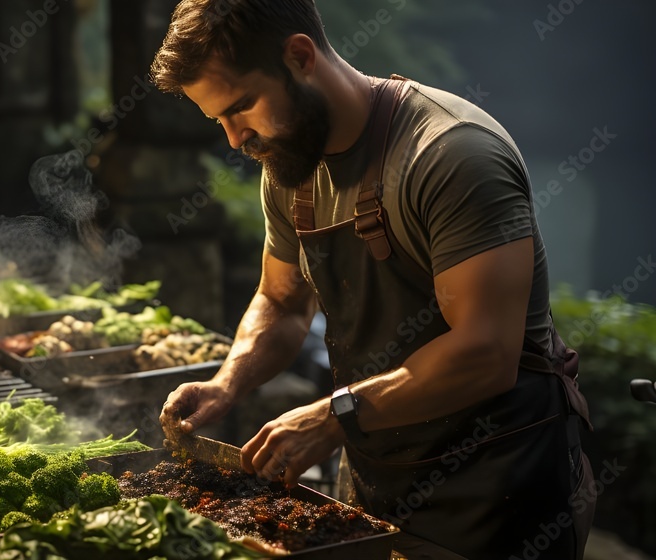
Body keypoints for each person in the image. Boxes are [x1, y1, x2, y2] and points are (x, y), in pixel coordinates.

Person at [152, 1, 595, 559]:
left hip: (500, 493)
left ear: (300, 56)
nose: (235, 139)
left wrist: (336, 414)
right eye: (218, 119)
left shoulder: (451, 154)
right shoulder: (291, 165)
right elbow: (282, 301)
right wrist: (227, 383)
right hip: (373, 483)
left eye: (242, 107)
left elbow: (485, 352)